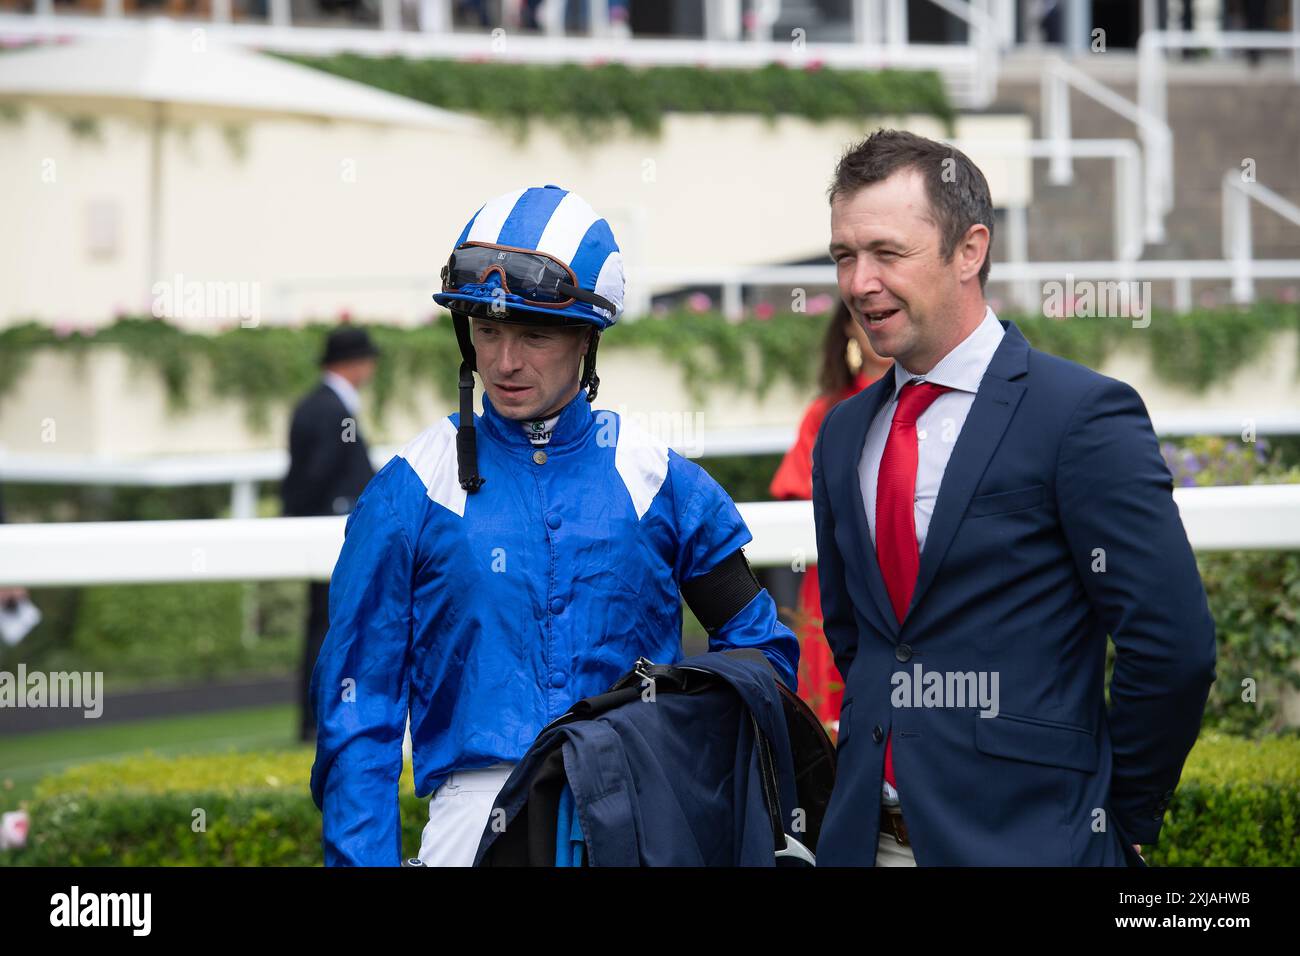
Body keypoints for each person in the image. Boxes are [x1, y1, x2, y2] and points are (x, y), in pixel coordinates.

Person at [309, 184, 799, 867]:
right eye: (487, 330)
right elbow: (358, 712)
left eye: (534, 333)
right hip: (473, 824)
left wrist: (681, 762)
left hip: (638, 816)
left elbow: (761, 656)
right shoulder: (409, 489)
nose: (504, 362)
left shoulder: (659, 480)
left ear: (586, 339)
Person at [812, 129, 1216, 866]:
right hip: (862, 845)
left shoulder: (1081, 416)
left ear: (970, 251)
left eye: (886, 253)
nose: (858, 282)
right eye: (844, 255)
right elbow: (859, 641)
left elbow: (1174, 648)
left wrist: (1116, 820)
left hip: (1034, 846)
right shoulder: (841, 435)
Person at [770, 303, 890, 728]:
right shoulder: (826, 416)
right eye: (861, 314)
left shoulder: (933, 405)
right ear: (846, 330)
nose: (874, 320)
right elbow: (792, 514)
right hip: (832, 594)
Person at [281, 325, 380, 744]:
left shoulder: (316, 405)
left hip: (322, 531)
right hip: (330, 536)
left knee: (324, 624)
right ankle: (318, 717)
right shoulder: (332, 410)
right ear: (356, 363)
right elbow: (316, 477)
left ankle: (319, 717)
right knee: (329, 626)